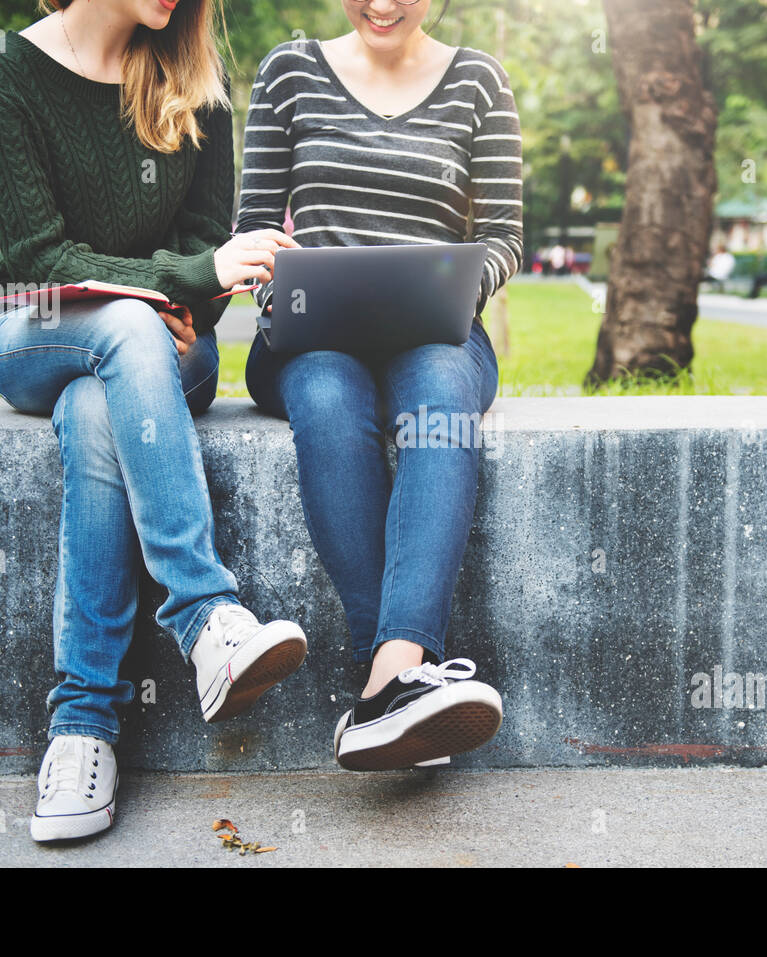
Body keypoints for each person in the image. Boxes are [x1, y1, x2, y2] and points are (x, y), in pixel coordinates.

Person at [0, 0, 306, 842]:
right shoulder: (5, 70)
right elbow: (42, 259)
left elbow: (206, 265)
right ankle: (206, 615)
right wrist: (173, 281)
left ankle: (82, 729)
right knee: (118, 331)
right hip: (33, 327)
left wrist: (188, 285)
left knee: (96, 405)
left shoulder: (196, 79)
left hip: (165, 352)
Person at [237, 0, 523, 771]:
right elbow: (253, 228)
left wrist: (466, 289)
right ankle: (399, 687)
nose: (383, 3)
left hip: (435, 333)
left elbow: (504, 234)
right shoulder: (288, 71)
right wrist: (281, 298)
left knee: (439, 401)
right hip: (311, 338)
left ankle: (387, 679)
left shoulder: (479, 82)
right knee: (329, 400)